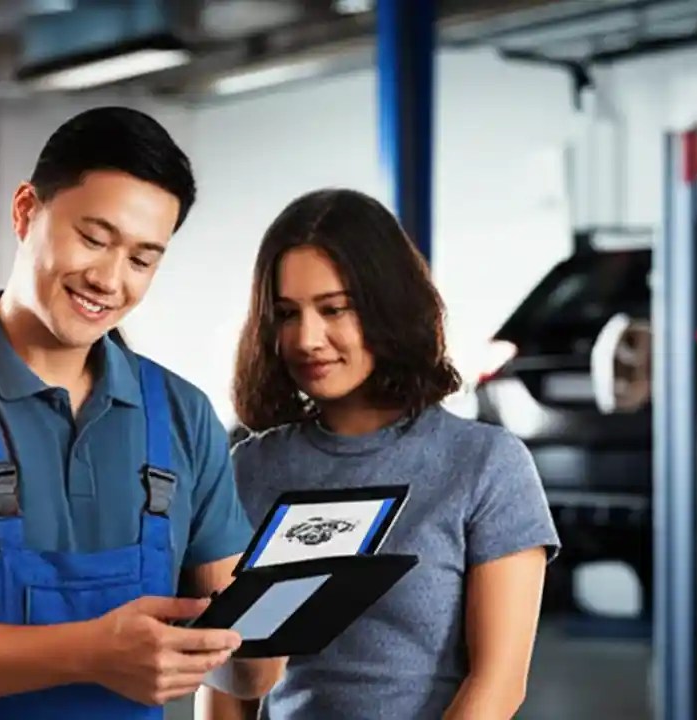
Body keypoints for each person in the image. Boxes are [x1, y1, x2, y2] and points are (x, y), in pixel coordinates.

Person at [0, 106, 285, 720]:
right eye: (93, 239)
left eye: (142, 259)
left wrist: (290, 605)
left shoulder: (181, 415)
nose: (109, 278)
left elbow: (245, 669)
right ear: (26, 211)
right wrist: (91, 653)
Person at [206, 188, 560, 720]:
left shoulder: (485, 465)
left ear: (386, 307)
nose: (307, 339)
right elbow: (229, 686)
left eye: (334, 310)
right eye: (286, 314)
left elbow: (499, 684)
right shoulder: (250, 469)